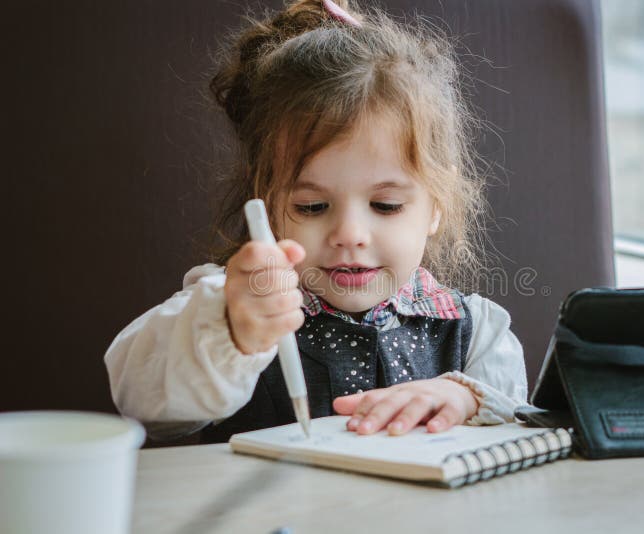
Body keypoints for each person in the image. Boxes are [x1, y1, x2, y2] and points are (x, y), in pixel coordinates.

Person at [104, 0, 527, 443]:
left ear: (437, 205)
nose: (349, 235)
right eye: (312, 207)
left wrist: (466, 398)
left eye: (385, 206)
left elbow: (523, 424)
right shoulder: (231, 303)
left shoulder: (475, 331)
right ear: (266, 204)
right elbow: (140, 402)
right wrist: (233, 330)